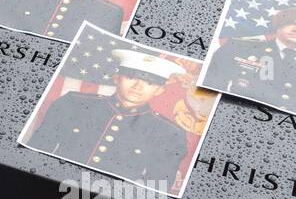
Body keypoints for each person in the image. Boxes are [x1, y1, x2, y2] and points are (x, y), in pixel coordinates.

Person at [26, 50, 189, 185]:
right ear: (116, 78)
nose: (138, 87)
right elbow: (35, 152)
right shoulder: (74, 104)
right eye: (131, 77)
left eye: (149, 83)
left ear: (159, 90)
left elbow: (156, 188)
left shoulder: (169, 133)